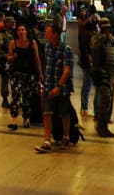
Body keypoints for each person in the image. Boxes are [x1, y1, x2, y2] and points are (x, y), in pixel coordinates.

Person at [34, 21, 74, 154]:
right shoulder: (47, 48)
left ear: (55, 34)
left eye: (48, 32)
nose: (45, 34)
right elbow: (47, 65)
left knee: (64, 113)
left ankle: (66, 137)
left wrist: (59, 86)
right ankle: (47, 140)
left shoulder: (66, 49)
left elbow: (67, 70)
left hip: (62, 88)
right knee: (47, 113)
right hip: (48, 85)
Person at [6, 23, 43, 129]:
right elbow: (8, 57)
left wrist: (40, 73)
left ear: (26, 31)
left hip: (29, 73)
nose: (21, 32)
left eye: (23, 30)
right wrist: (13, 56)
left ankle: (26, 119)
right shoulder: (13, 43)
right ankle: (14, 120)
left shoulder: (32, 43)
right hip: (16, 73)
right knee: (16, 95)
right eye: (19, 30)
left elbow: (37, 58)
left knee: (27, 96)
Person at [90, 15, 114, 138]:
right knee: (105, 98)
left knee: (110, 101)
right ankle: (101, 125)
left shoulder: (112, 39)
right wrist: (103, 39)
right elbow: (94, 51)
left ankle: (105, 125)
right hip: (100, 73)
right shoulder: (96, 39)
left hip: (111, 72)